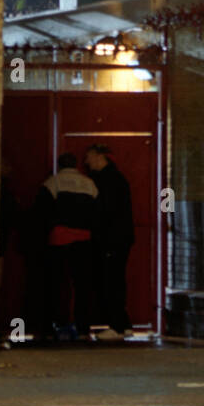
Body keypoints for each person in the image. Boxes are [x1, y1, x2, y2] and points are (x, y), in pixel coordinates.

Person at [32, 152, 98, 340]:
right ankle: (83, 328)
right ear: (76, 165)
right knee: (82, 286)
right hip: (84, 240)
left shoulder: (53, 183)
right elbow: (97, 213)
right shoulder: (89, 184)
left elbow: (41, 213)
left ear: (59, 166)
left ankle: (53, 326)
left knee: (55, 284)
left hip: (59, 240)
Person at [85, 144, 135, 336]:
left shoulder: (106, 181)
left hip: (111, 239)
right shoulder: (116, 178)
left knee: (110, 281)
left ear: (99, 157)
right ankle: (123, 324)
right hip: (119, 238)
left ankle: (116, 325)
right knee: (115, 280)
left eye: (89, 157)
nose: (86, 162)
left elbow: (104, 211)